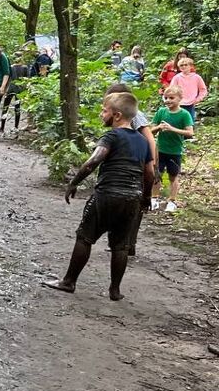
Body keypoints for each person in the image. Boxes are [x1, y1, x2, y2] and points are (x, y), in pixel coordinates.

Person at [43, 92, 153, 302]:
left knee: (85, 236)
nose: (102, 114)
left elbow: (93, 161)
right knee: (121, 245)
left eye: (104, 111)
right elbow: (149, 172)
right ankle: (115, 290)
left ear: (117, 115)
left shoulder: (112, 136)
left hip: (107, 195)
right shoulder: (142, 141)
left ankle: (68, 281)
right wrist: (146, 197)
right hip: (132, 198)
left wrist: (74, 182)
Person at [105, 83, 157, 255]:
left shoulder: (135, 115)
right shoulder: (122, 115)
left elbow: (149, 137)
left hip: (139, 164)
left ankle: (128, 243)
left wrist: (151, 164)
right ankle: (127, 242)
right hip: (134, 163)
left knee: (136, 203)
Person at [151, 85, 195, 214]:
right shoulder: (161, 112)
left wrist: (172, 129)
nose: (168, 100)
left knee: (173, 176)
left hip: (175, 151)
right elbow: (150, 131)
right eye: (166, 98)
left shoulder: (184, 114)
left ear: (180, 99)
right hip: (160, 149)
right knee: (156, 175)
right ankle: (154, 198)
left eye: (171, 98)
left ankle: (172, 200)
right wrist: (159, 127)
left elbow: (190, 133)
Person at [0, 61, 31, 135]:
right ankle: (16, 127)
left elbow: (8, 78)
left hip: (11, 88)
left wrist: (5, 88)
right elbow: (27, 78)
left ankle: (2, 127)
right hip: (20, 89)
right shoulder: (25, 67)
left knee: (5, 107)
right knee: (17, 108)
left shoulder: (12, 67)